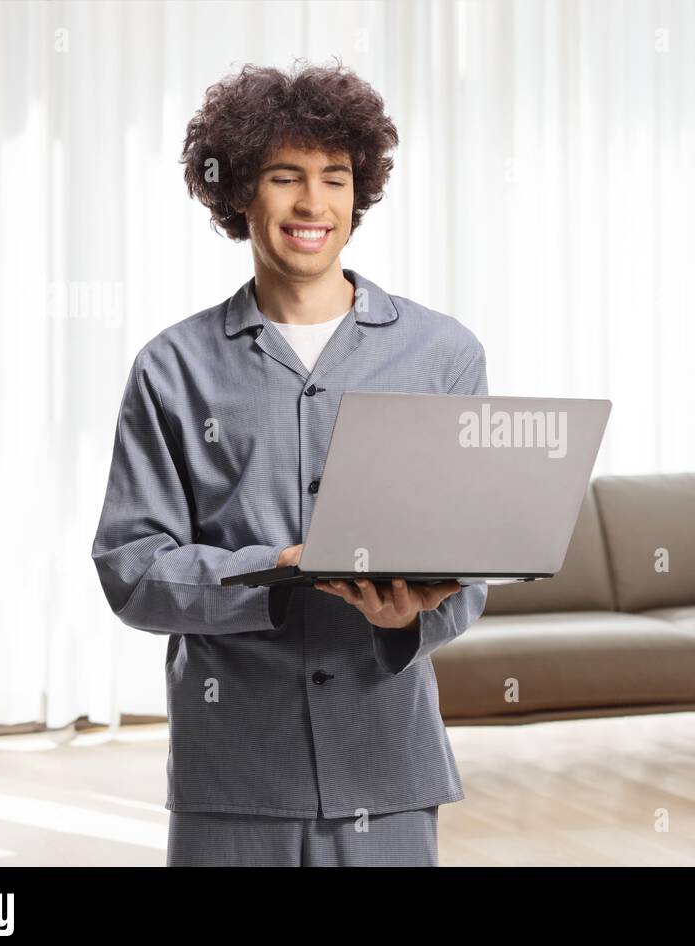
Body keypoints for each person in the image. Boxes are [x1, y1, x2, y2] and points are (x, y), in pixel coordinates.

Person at [91, 59, 488, 866]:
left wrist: (406, 615)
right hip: (235, 777)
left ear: (359, 194)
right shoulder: (172, 368)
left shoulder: (444, 355)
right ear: (239, 192)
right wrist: (275, 572)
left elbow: (469, 573)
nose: (313, 203)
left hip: (390, 770)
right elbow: (133, 569)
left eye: (335, 178)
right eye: (285, 176)